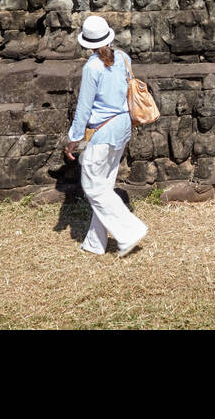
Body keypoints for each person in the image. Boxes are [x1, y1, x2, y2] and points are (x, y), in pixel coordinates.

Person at [64, 15, 148, 257]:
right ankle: (95, 241)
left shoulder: (92, 67)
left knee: (93, 187)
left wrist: (74, 137)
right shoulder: (123, 57)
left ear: (87, 43)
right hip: (122, 126)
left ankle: (130, 229)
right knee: (105, 184)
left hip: (103, 130)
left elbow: (84, 107)